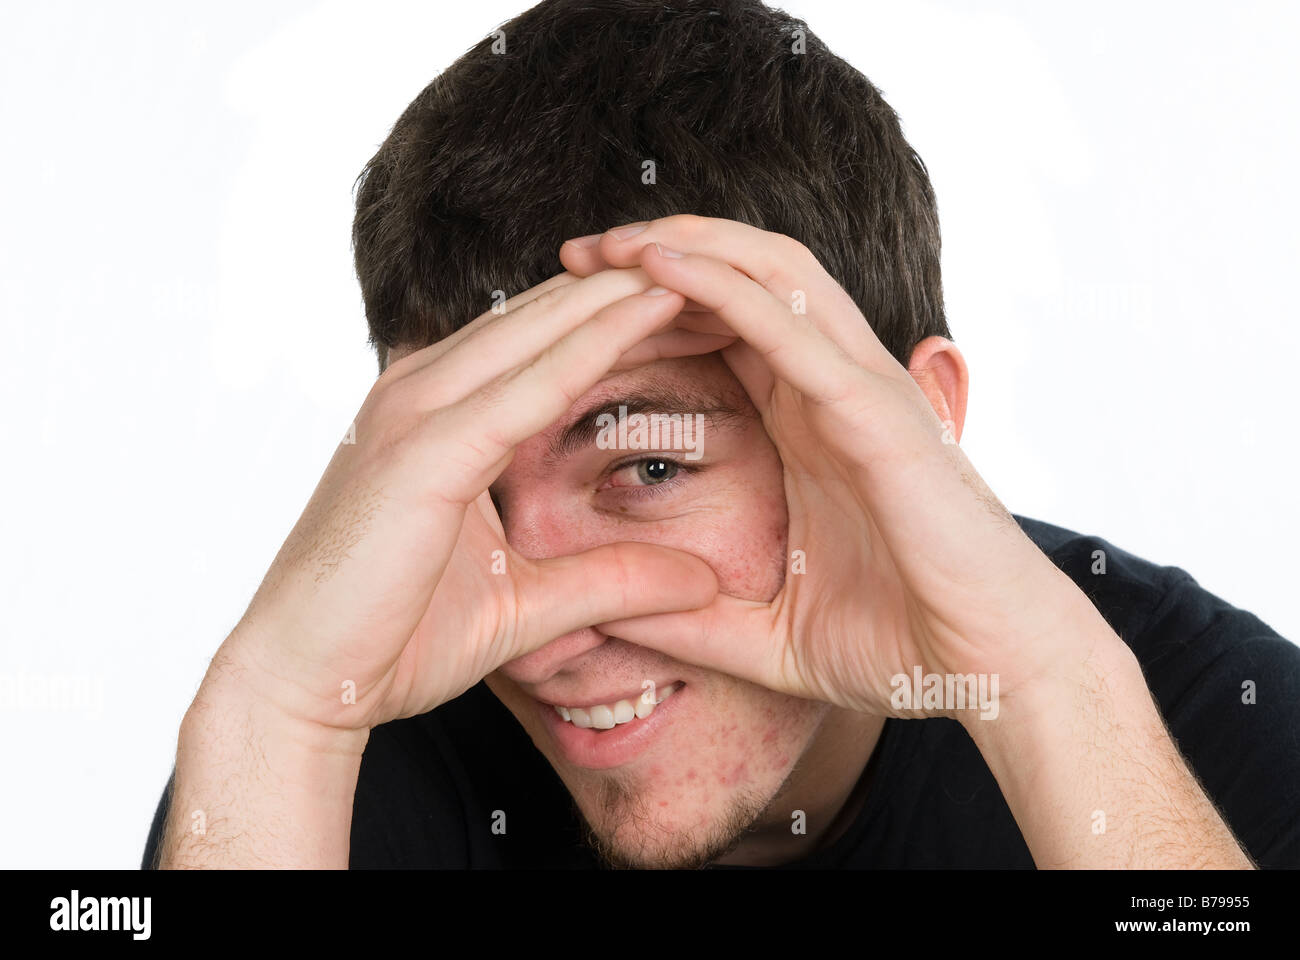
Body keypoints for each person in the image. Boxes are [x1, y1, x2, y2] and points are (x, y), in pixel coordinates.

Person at [143, 0, 1299, 869]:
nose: (536, 645)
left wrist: (1047, 687)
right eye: (471, 489)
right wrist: (276, 712)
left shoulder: (1216, 731)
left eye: (647, 464)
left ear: (920, 426)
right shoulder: (342, 748)